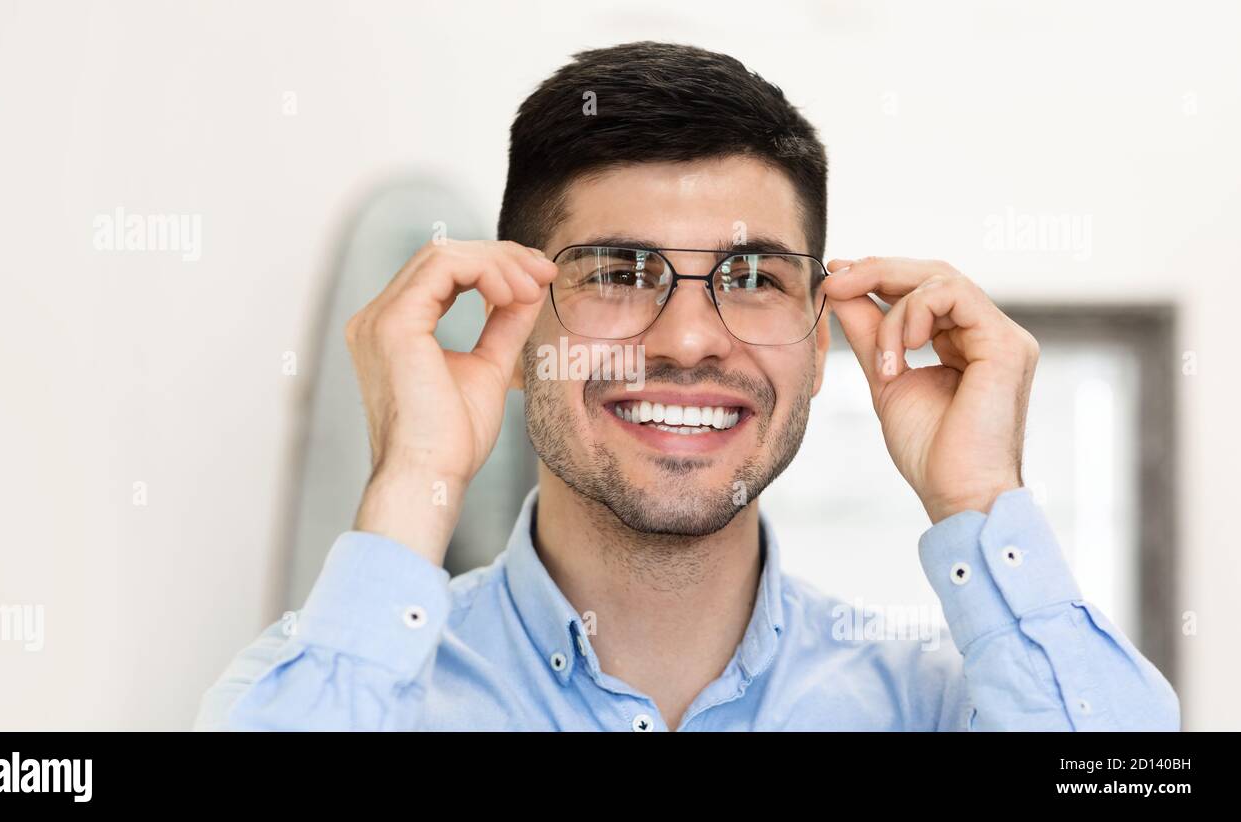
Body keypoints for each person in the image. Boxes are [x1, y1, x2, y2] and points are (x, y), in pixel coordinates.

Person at [195, 42, 1178, 731]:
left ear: (816, 324)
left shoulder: (935, 707)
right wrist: (413, 481)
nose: (694, 338)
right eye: (619, 272)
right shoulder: (342, 687)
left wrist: (978, 498)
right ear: (514, 314)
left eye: (754, 280)